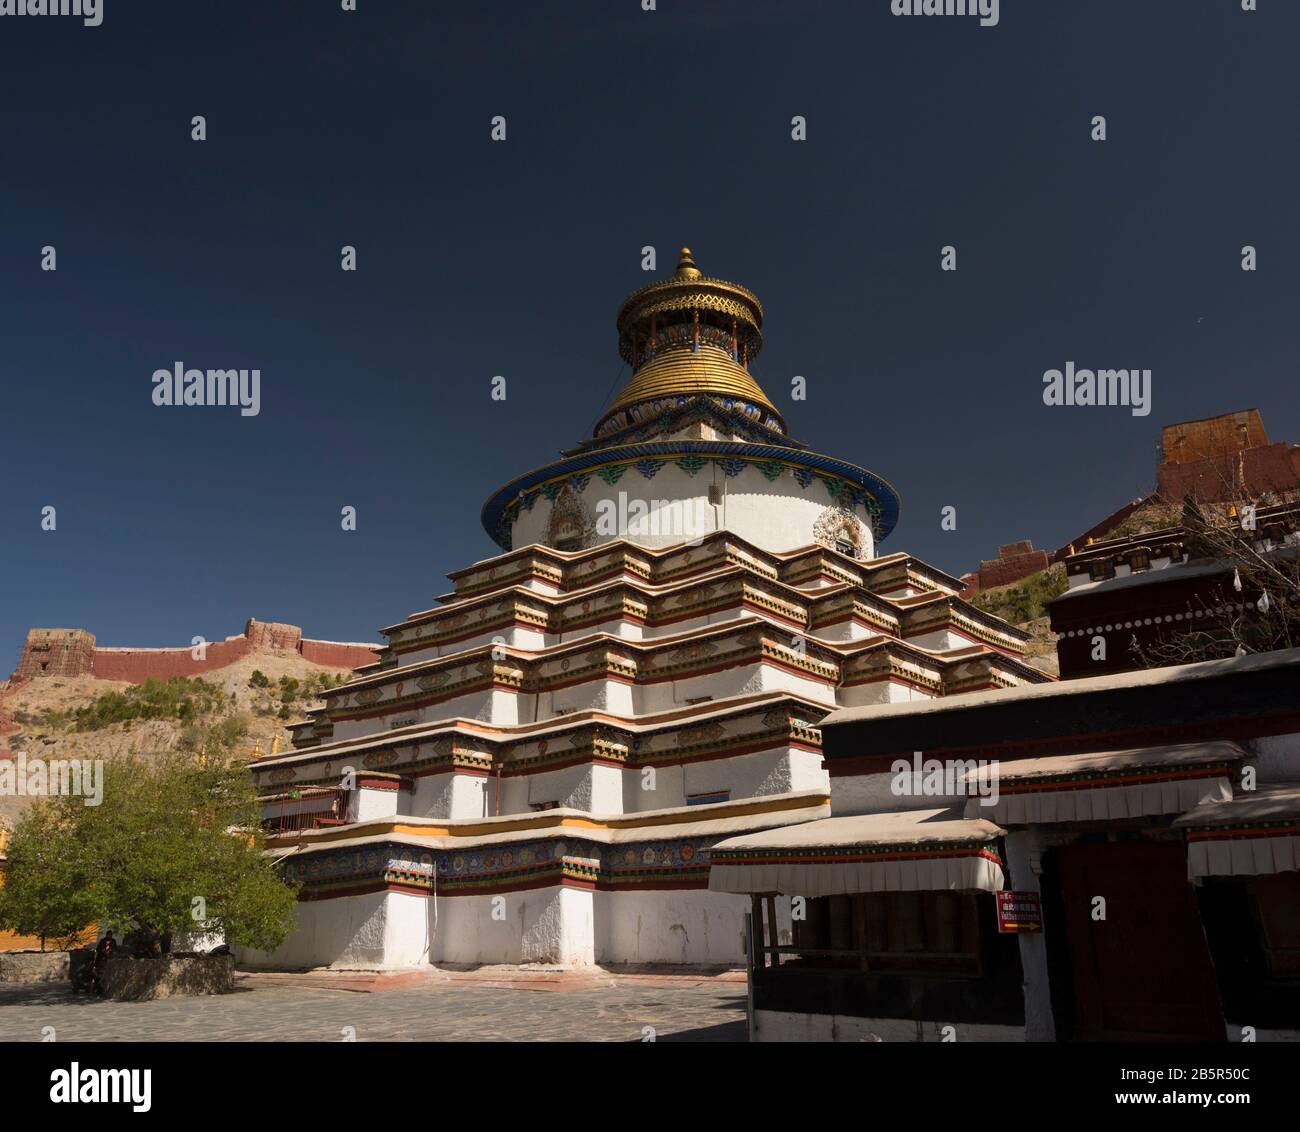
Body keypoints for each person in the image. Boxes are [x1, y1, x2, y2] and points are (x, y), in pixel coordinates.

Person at [92, 929, 117, 996]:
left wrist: (111, 951)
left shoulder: (113, 941)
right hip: (101, 960)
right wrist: (103, 951)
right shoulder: (102, 941)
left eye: (110, 935)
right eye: (108, 935)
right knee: (98, 975)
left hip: (109, 959)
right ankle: (98, 989)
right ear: (106, 935)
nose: (109, 936)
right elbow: (98, 949)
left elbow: (115, 949)